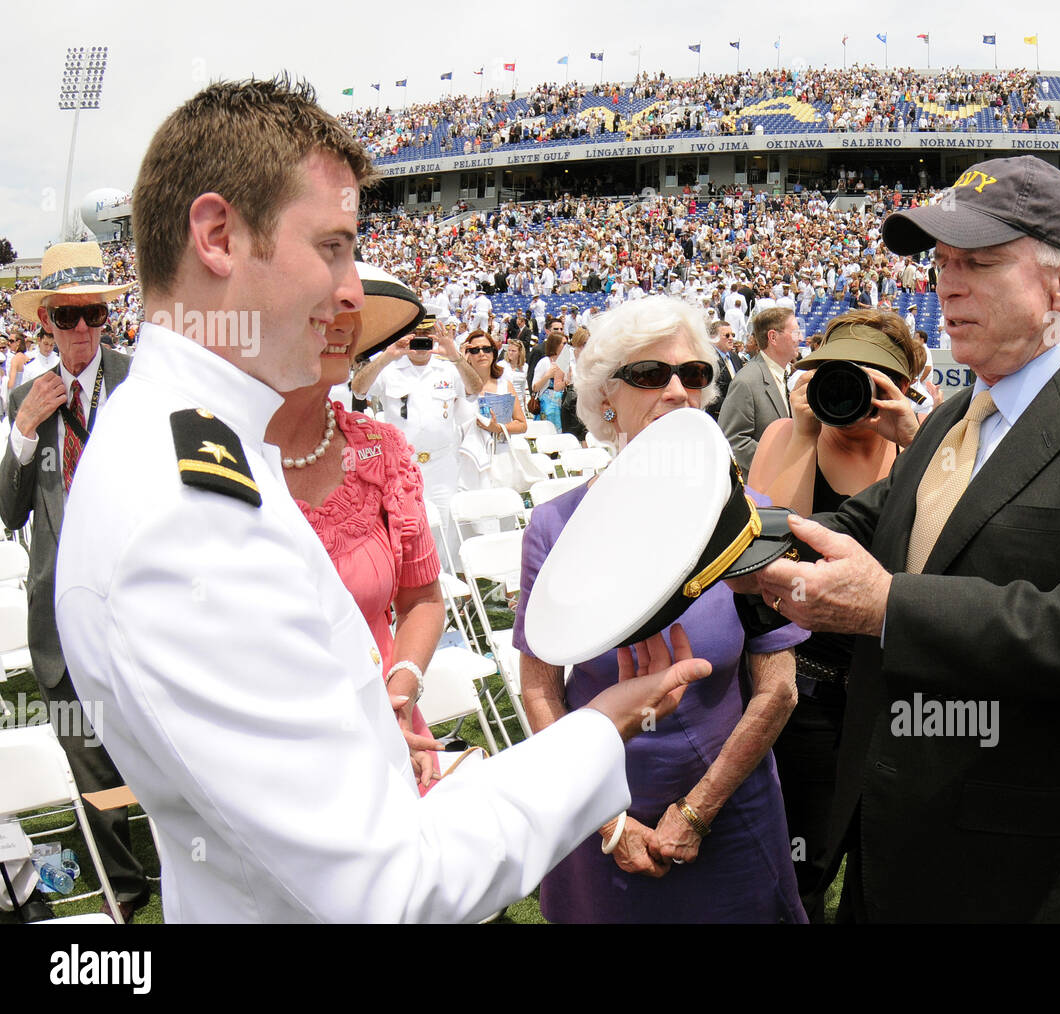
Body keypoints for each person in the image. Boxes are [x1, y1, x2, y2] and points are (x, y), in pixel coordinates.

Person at [53, 76, 707, 924]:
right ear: (216, 236)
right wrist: (597, 730)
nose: (355, 291)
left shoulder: (199, 445)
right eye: (331, 246)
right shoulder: (190, 516)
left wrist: (364, 734)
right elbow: (387, 894)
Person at [734, 155, 1060, 922]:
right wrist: (729, 546)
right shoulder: (955, 416)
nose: (945, 284)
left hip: (1008, 861)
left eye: (979, 263)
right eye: (942, 263)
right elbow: (859, 528)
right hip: (879, 827)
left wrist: (891, 607)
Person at [515, 295, 807, 923]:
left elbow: (778, 690)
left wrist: (698, 810)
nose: (676, 390)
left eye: (694, 374)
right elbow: (540, 691)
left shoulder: (749, 516)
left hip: (730, 810)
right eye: (650, 375)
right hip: (600, 818)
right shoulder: (554, 527)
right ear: (605, 398)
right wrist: (607, 823)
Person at [746, 308, 925, 922]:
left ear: (904, 383)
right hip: (809, 685)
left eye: (873, 378)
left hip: (900, 687)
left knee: (893, 862)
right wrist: (799, 432)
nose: (850, 391)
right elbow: (764, 556)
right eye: (835, 373)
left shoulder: (927, 449)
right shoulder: (783, 436)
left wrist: (915, 437)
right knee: (803, 863)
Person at [0, 242, 145, 922]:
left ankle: (188, 855)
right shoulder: (24, 399)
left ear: (106, 317)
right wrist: (24, 431)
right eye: (67, 316)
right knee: (84, 751)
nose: (82, 329)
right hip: (60, 618)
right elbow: (9, 511)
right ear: (47, 324)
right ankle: (123, 880)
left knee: (159, 741)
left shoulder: (141, 383)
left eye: (92, 313)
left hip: (144, 607)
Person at [266, 263, 446, 794]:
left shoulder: (384, 450)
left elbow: (422, 600)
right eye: (324, 307)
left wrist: (402, 689)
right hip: (275, 764)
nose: (345, 323)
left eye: (355, 311)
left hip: (393, 741)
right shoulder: (219, 457)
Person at [351, 316, 483, 572]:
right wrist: (387, 355)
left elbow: (475, 389)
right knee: (404, 528)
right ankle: (405, 587)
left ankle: (443, 595)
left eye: (427, 335)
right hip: (402, 465)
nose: (420, 343)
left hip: (442, 463)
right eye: (415, 335)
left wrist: (455, 355)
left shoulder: (448, 367)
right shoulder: (390, 368)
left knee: (443, 528)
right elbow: (358, 390)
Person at [718, 306, 800, 479]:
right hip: (760, 492)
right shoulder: (747, 382)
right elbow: (733, 441)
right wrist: (781, 460)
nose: (799, 338)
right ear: (773, 337)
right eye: (794, 332)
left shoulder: (781, 375)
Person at [460, 328, 527, 492]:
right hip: (466, 460)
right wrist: (459, 362)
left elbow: (522, 424)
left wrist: (497, 428)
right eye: (475, 350)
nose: (481, 353)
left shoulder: (505, 385)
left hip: (499, 457)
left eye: (486, 349)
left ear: (494, 352)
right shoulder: (458, 386)